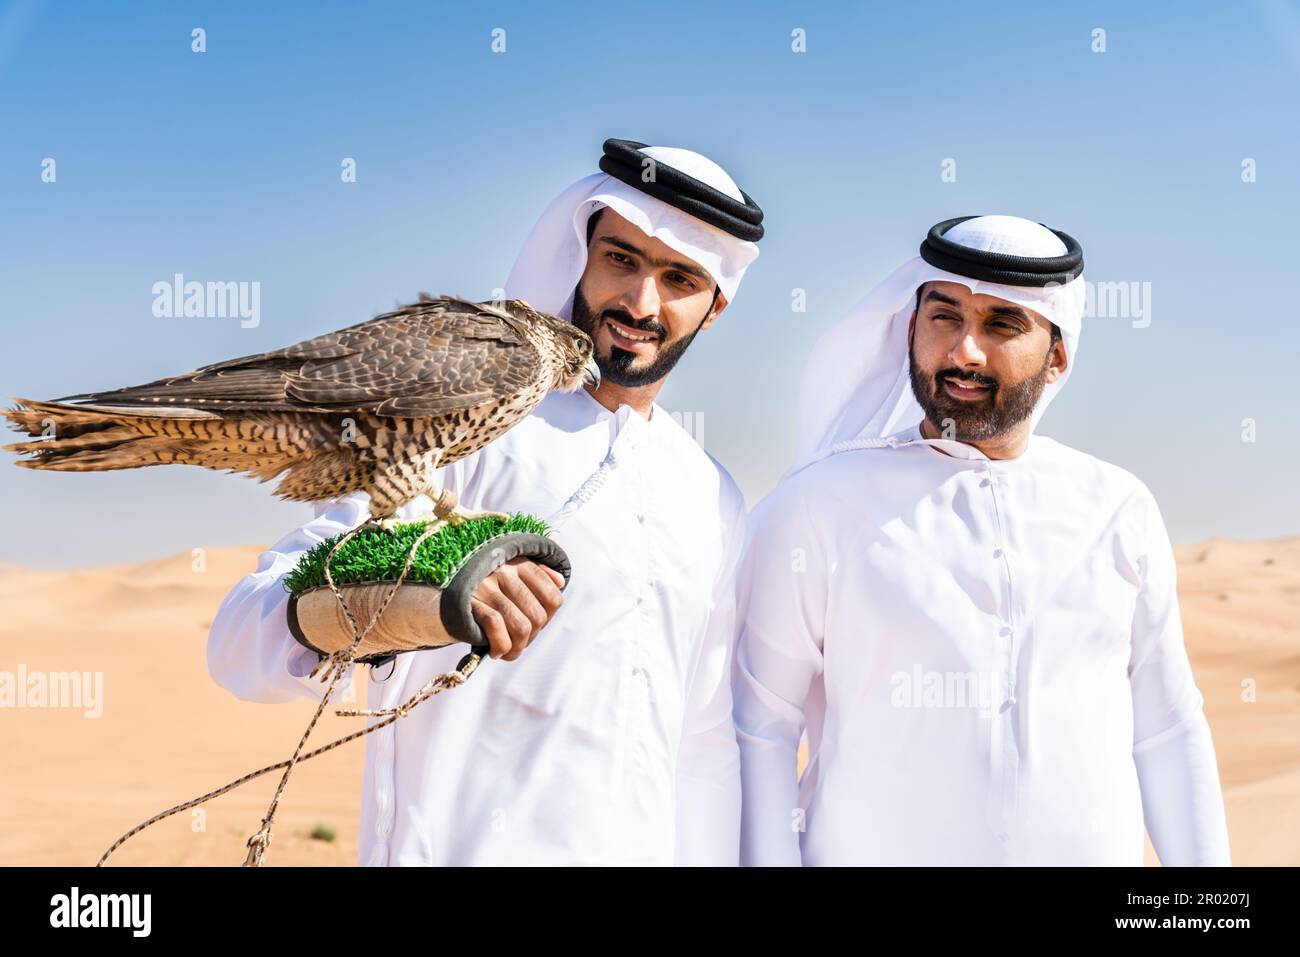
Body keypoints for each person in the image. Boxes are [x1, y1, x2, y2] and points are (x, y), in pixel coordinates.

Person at [208, 137, 763, 865]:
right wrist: (423, 588)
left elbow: (702, 743)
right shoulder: (469, 423)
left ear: (714, 306)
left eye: (680, 278)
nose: (641, 301)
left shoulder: (711, 493)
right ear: (581, 254)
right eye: (621, 260)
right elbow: (241, 640)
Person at [734, 215, 1231, 866]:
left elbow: (1166, 727)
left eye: (1002, 324)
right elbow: (761, 725)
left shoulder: (1118, 507)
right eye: (945, 316)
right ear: (910, 328)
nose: (964, 350)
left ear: (1058, 353)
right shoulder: (817, 505)